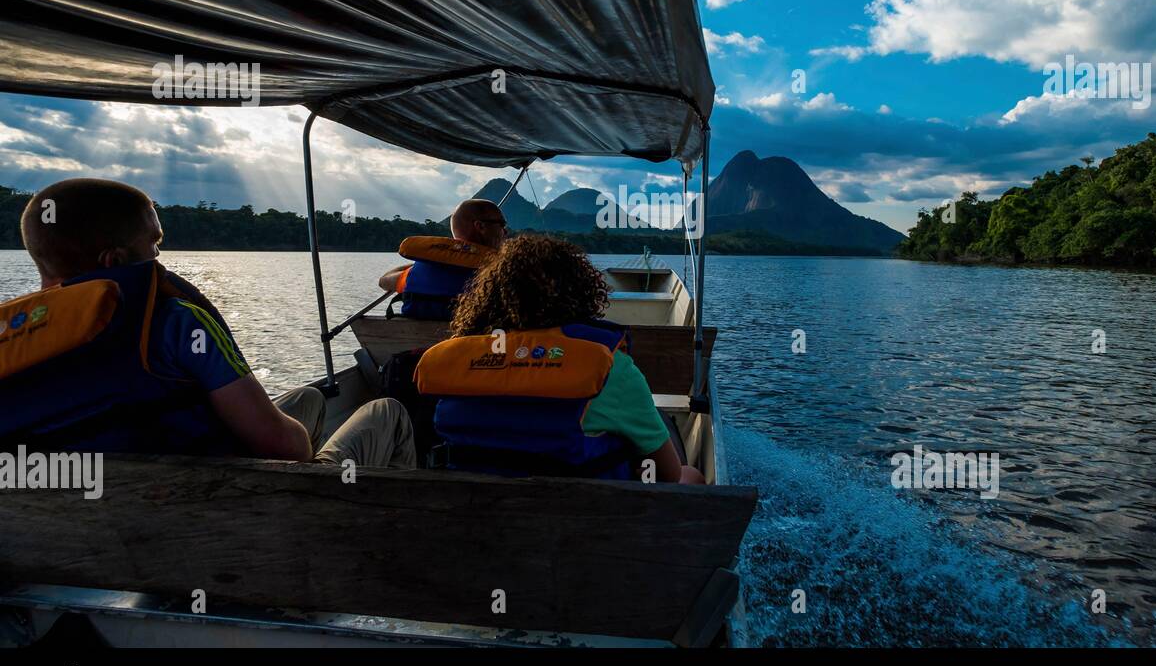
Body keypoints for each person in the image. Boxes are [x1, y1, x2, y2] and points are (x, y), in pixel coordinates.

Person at [0, 178, 415, 468]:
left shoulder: (15, 337)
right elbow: (284, 450)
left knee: (308, 398)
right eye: (155, 243)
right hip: (210, 517)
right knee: (387, 412)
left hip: (77, 531)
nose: (160, 257)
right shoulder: (177, 321)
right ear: (116, 261)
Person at [414, 234, 706, 484]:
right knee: (689, 475)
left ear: (491, 296)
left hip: (477, 515)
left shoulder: (460, 362)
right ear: (581, 292)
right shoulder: (611, 367)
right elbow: (666, 475)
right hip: (585, 521)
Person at [378, 199, 507, 319]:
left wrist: (433, 260)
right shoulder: (505, 273)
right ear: (480, 227)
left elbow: (384, 281)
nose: (505, 231)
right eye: (502, 224)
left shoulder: (418, 273)